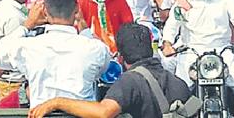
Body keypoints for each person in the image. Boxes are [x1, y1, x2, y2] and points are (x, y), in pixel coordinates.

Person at [29, 22, 195, 118]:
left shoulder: (130, 81)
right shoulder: (178, 82)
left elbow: (104, 112)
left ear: (120, 57)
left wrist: (57, 102)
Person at [0, 0, 111, 108]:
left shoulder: (29, 47)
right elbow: (104, 65)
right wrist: (83, 28)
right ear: (77, 9)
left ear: (44, 11)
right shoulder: (94, 48)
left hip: (41, 113)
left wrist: (27, 25)